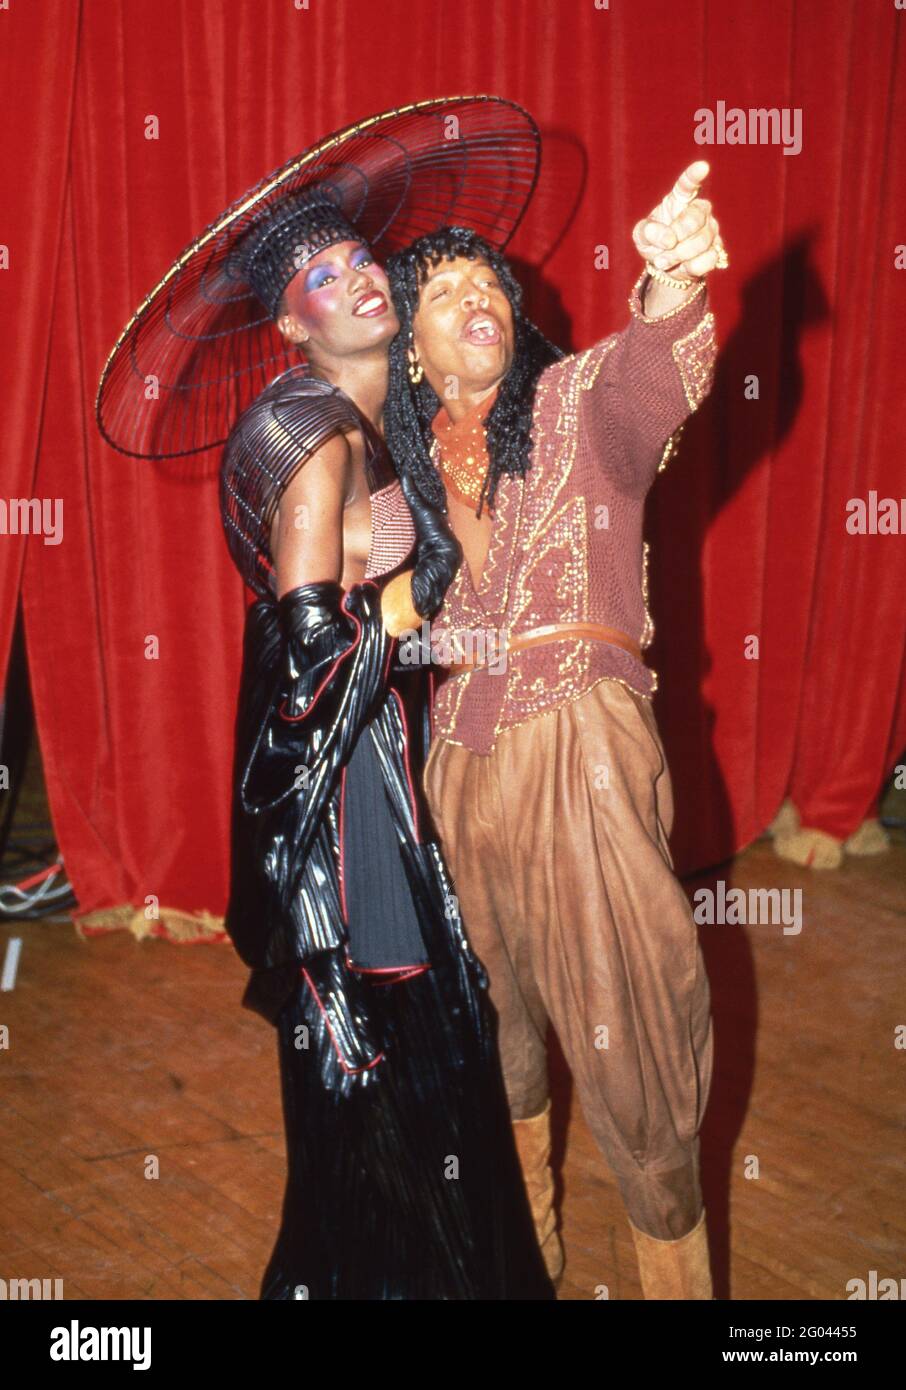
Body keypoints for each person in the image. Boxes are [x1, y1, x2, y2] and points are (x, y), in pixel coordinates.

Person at [95, 98, 554, 1300]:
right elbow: (301, 659)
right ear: (288, 325)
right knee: (386, 1090)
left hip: (370, 781)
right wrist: (401, 620)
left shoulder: (350, 424)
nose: (350, 280)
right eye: (317, 278)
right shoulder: (314, 440)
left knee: (395, 1102)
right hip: (345, 824)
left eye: (356, 260)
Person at [383, 160, 725, 1298]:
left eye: (489, 282)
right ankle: (523, 1270)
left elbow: (650, 382)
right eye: (440, 292)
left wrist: (667, 279)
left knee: (629, 1035)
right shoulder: (407, 488)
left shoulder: (577, 407)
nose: (474, 292)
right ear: (414, 355)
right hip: (462, 778)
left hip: (577, 746)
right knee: (501, 1048)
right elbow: (352, 607)